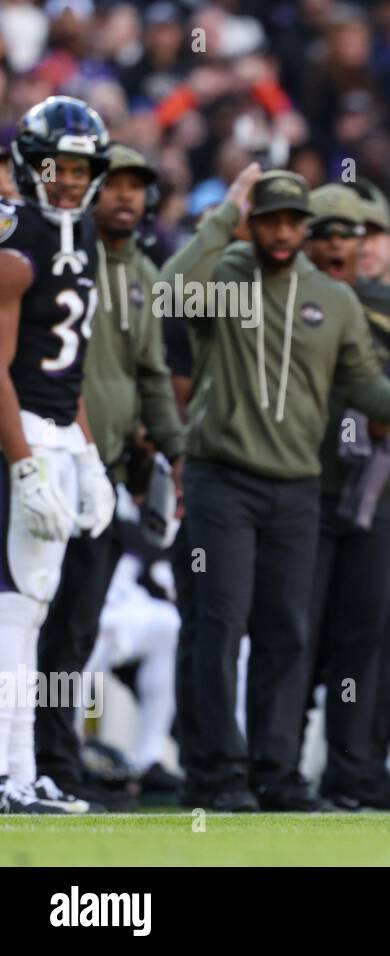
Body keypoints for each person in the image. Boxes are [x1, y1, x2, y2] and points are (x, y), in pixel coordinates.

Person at [163, 166, 390, 812]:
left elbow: (364, 385)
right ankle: (216, 772)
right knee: (221, 624)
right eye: (271, 220)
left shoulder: (333, 298)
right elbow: (168, 296)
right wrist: (222, 215)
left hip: (296, 487)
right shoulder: (230, 275)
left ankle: (275, 770)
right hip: (222, 478)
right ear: (252, 223)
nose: (284, 232)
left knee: (287, 632)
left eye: (294, 222)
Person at [35, 143, 184, 812]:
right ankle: (26, 764)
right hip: (49, 465)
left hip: (108, 481)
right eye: (114, 184)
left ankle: (55, 765)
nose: (125, 196)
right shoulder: (63, 259)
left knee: (75, 632)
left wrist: (175, 453)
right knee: (26, 623)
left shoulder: (147, 275)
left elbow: (153, 378)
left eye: (137, 186)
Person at [300, 183, 390, 810]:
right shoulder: (296, 300)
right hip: (306, 485)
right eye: (330, 233)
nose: (353, 247)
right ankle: (277, 765)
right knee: (296, 635)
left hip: (384, 492)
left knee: (376, 638)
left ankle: (359, 769)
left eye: (364, 233)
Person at [0, 97, 117, 815]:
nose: (68, 180)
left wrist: (90, 454)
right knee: (13, 615)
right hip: (20, 436)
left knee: (29, 616)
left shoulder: (84, 236)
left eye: (80, 168)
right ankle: (8, 776)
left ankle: (22, 771)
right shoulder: (18, 241)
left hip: (55, 435)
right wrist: (23, 462)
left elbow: (62, 368)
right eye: (55, 166)